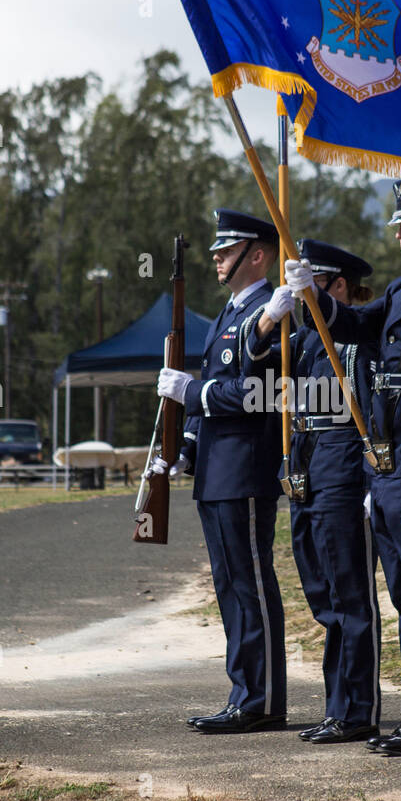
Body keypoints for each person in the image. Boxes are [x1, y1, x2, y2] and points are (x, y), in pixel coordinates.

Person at [285, 181, 401, 756]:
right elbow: (357, 327)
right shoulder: (399, 292)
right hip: (388, 465)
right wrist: (315, 302)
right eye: (398, 224)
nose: (400, 233)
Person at [155, 208, 286, 733]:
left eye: (227, 250)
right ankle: (244, 692)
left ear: (257, 255)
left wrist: (195, 393)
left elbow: (259, 392)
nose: (216, 258)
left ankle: (262, 700)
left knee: (251, 584)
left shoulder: (273, 312)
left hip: (247, 468)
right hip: (216, 469)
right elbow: (214, 381)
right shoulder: (229, 313)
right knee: (230, 585)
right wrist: (186, 443)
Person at [247, 239, 381, 744]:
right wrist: (266, 318)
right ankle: (338, 704)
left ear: (338, 286)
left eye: (310, 284)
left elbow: (370, 410)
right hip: (304, 467)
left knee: (350, 595)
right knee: (323, 597)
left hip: (344, 468)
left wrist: (371, 479)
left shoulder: (353, 338)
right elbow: (251, 369)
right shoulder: (300, 341)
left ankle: (357, 709)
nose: (300, 295)